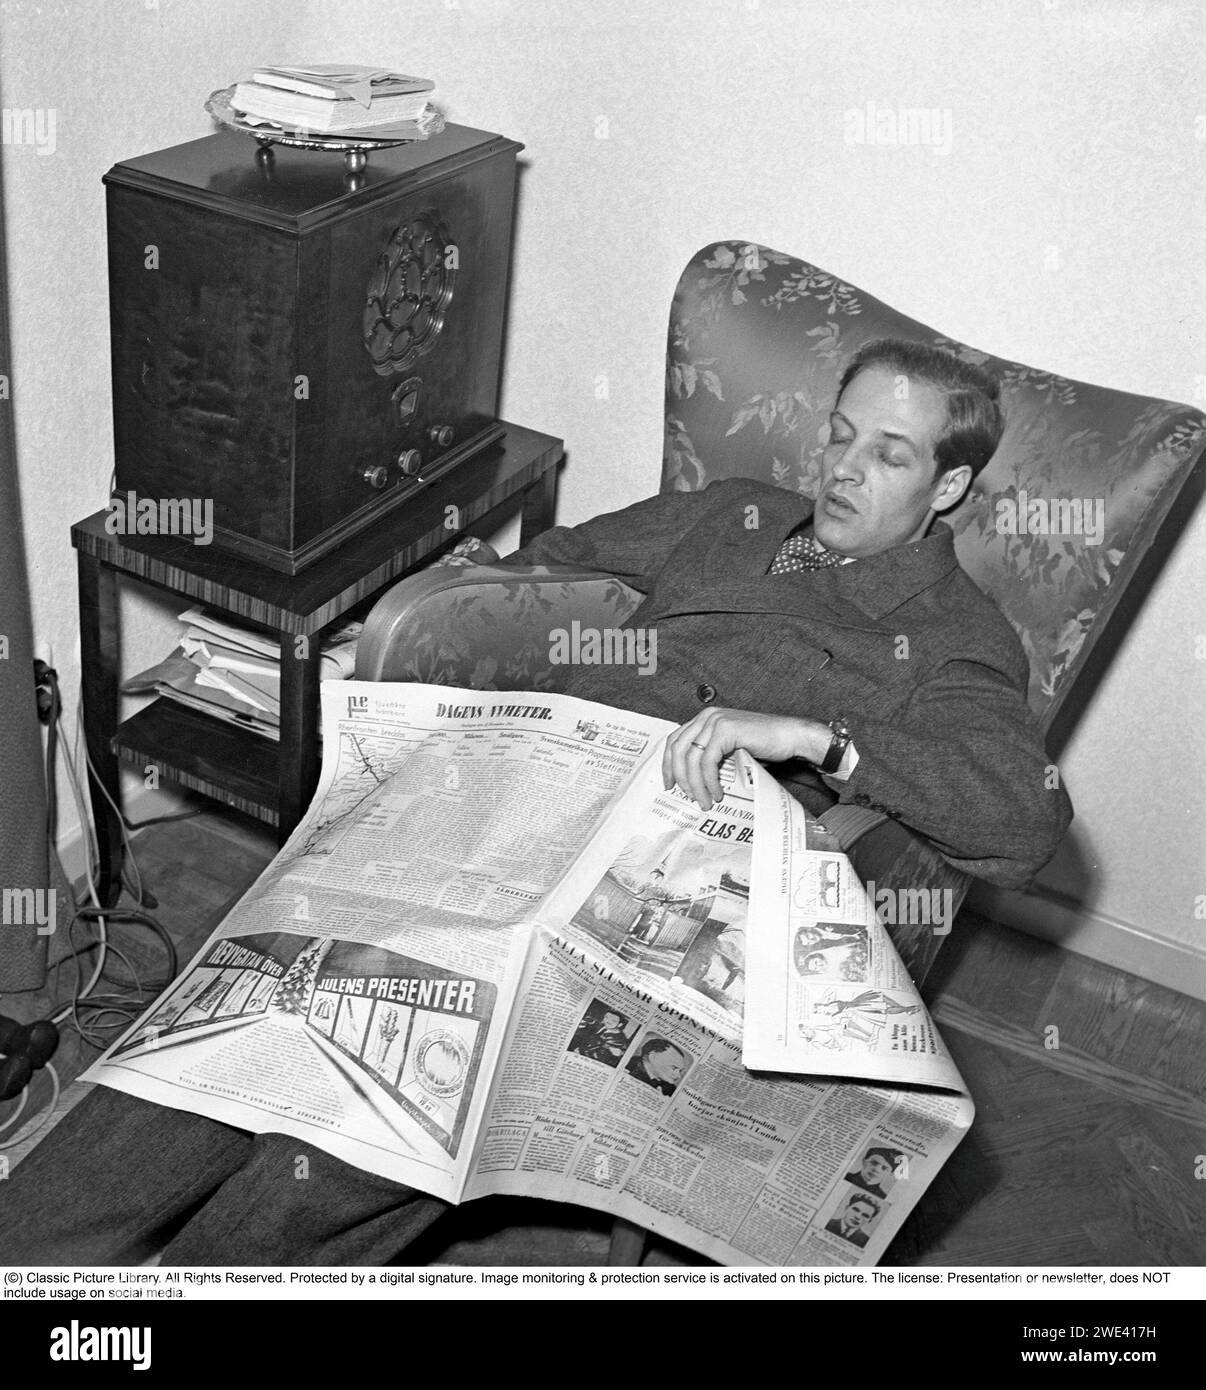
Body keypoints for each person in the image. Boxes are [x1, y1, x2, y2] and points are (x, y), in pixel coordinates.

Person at [0, 338, 1072, 1265]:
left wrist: (817, 739)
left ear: (947, 488)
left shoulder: (953, 636)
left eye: (887, 456)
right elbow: (559, 563)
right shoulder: (736, 513)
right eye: (840, 435)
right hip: (525, 800)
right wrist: (440, 620)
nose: (842, 470)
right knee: (256, 1006)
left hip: (652, 900)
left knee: (383, 1084)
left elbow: (1025, 824)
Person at [624, 1038, 689, 1095]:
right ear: (653, 1057)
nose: (678, 1076)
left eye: (680, 1070)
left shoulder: (671, 1089)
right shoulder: (624, 1066)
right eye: (674, 1068)